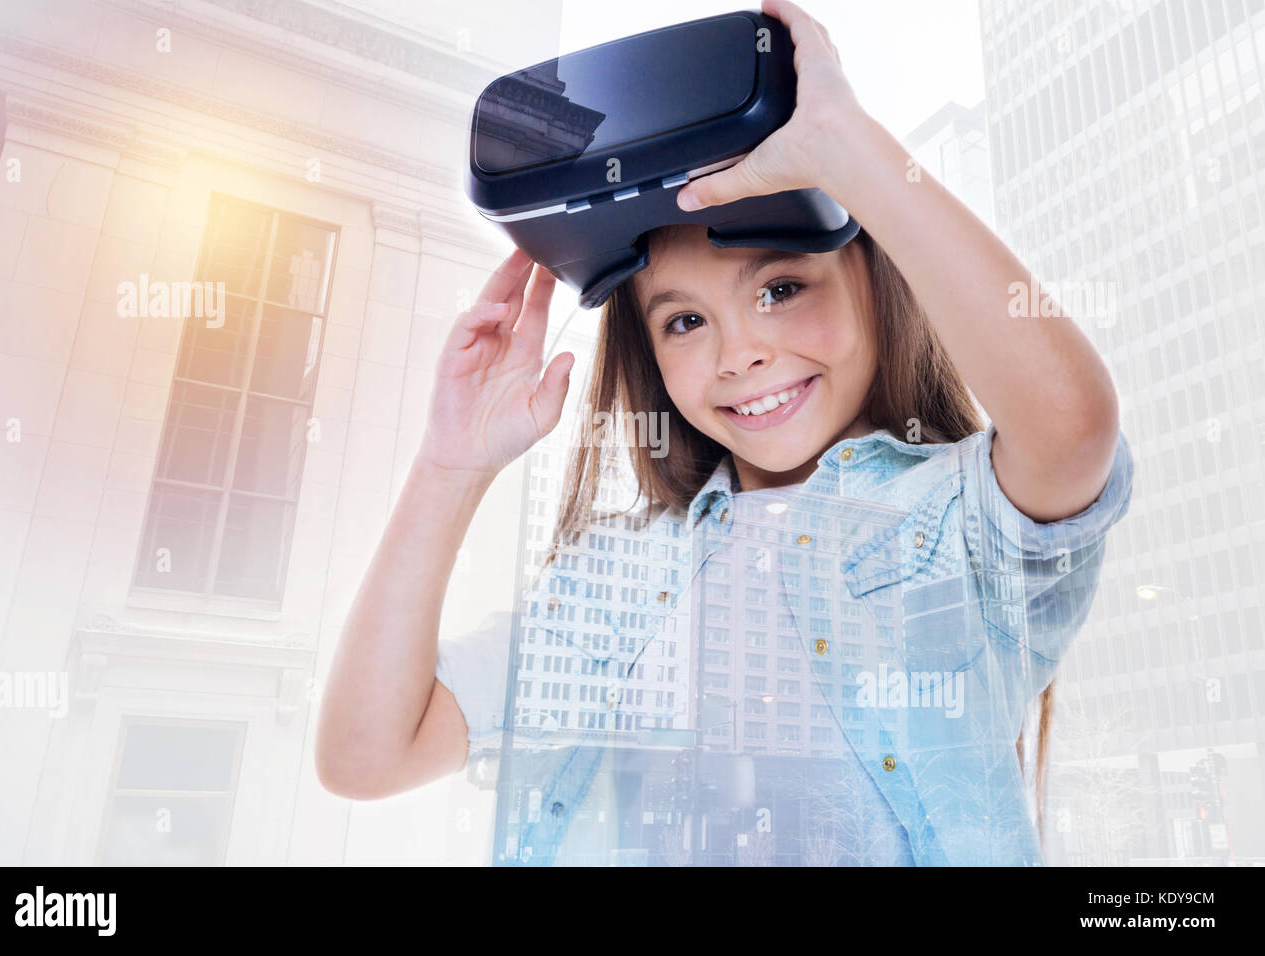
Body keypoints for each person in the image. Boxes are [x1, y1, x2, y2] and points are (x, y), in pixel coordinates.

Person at [315, 0, 1134, 866]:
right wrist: (450, 465)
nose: (739, 354)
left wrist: (850, 152)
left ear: (874, 279)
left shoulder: (952, 531)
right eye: (684, 321)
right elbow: (369, 755)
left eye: (780, 289)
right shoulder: (617, 580)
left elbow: (1070, 423)